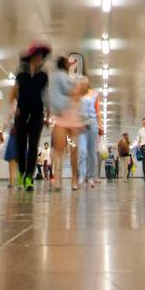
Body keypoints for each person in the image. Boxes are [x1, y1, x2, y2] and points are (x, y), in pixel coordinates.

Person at [14, 42, 50, 192]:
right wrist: (15, 107)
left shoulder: (43, 75)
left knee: (33, 146)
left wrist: (49, 112)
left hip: (37, 114)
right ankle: (22, 173)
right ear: (31, 57)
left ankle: (29, 177)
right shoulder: (21, 73)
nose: (39, 58)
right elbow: (15, 90)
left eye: (41, 56)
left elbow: (45, 94)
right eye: (37, 55)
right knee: (21, 146)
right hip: (22, 113)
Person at [49, 55, 82, 191]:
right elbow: (73, 92)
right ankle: (71, 179)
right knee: (70, 150)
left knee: (59, 150)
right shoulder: (60, 77)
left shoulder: (57, 78)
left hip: (66, 116)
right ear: (66, 65)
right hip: (67, 116)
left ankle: (60, 179)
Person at [77, 74, 102, 188]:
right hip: (81, 123)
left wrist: (100, 126)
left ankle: (91, 177)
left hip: (92, 122)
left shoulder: (95, 94)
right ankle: (82, 176)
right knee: (82, 150)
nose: (83, 84)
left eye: (85, 82)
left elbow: (97, 111)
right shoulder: (77, 94)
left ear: (88, 83)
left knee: (92, 151)